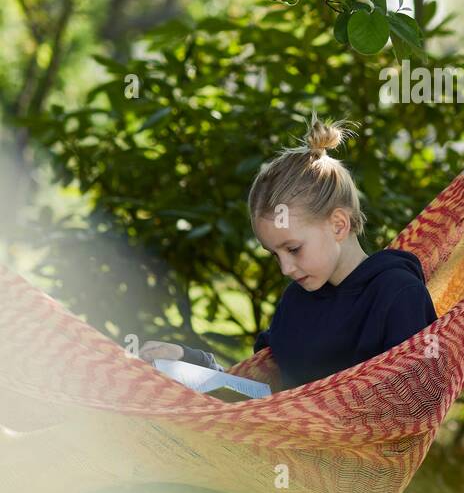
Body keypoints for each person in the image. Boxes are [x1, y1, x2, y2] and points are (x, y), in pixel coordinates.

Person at [139, 113, 437, 390]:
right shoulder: (297, 301)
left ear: (338, 225)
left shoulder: (398, 295)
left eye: (293, 248)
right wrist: (189, 361)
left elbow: (415, 401)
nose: (285, 269)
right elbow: (258, 392)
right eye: (274, 254)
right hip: (275, 441)